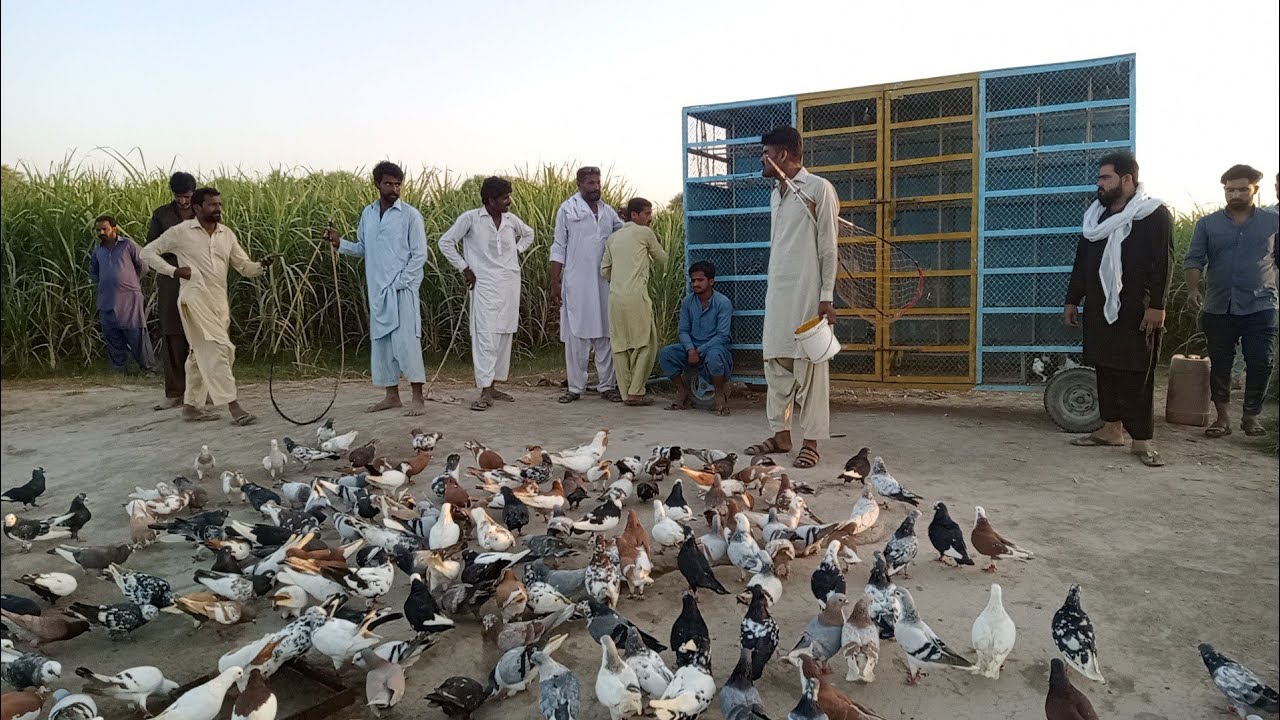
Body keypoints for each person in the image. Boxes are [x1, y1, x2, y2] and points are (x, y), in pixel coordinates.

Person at [1064, 151, 1173, 467]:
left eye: (1105, 177)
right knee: (1105, 366)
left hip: (1138, 307)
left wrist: (1158, 306)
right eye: (1099, 177)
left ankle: (1142, 440)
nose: (1099, 183)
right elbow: (1082, 263)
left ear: (1127, 179)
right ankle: (1111, 429)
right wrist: (1072, 300)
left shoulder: (1154, 214)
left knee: (1137, 370)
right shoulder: (1095, 218)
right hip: (1099, 306)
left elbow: (1163, 263)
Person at [744, 126, 838, 470]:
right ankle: (781, 436)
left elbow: (828, 246)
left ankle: (811, 443)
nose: (762, 159)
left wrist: (826, 296)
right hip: (778, 294)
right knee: (775, 364)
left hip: (807, 293)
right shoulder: (776, 193)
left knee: (810, 367)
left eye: (766, 153)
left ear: (782, 154)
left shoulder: (819, 188)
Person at [140, 187, 273, 425]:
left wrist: (261, 266)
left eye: (219, 204)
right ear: (197, 207)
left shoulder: (226, 234)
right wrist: (174, 271)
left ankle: (191, 407)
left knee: (198, 353)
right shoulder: (181, 232)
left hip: (218, 304)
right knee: (218, 349)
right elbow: (147, 253)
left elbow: (244, 267)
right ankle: (234, 407)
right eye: (212, 204)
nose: (218, 209)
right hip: (194, 299)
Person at [324, 161, 429, 416]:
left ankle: (417, 398)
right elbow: (363, 247)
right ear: (377, 184)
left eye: (398, 184)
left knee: (407, 342)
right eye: (388, 184)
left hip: (402, 290)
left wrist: (402, 283)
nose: (394, 189)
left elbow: (419, 255)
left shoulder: (410, 215)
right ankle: (391, 396)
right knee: (382, 344)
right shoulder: (368, 214)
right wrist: (339, 243)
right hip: (377, 289)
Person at [1183, 164, 1279, 438]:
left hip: (1261, 304)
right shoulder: (1208, 224)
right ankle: (1222, 419)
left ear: (1255, 190)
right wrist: (1192, 289)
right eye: (1230, 190)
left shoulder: (1272, 222)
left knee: (1261, 361)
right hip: (1218, 305)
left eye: (1242, 189)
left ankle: (1251, 417)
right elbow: (1194, 259)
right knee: (1221, 362)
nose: (1236, 194)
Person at [438, 176, 535, 411]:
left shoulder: (511, 220)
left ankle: (493, 386)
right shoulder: (471, 218)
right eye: (504, 198)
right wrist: (464, 268)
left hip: (509, 283)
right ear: (490, 200)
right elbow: (445, 242)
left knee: (503, 333)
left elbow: (529, 234)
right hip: (484, 285)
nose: (509, 201)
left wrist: (515, 252)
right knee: (485, 335)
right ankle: (484, 390)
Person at [550, 166, 624, 403]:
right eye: (591, 183)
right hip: (577, 283)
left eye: (598, 183)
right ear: (579, 184)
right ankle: (574, 388)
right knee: (577, 337)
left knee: (606, 335)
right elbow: (558, 246)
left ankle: (607, 386)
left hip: (604, 283)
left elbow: (623, 235)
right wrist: (555, 282)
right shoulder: (568, 209)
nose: (596, 188)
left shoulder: (608, 211)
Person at [601, 198, 669, 406]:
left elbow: (604, 270)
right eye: (647, 213)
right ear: (634, 215)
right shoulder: (645, 233)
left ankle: (626, 393)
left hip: (615, 298)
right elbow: (663, 258)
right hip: (637, 297)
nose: (650, 218)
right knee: (645, 343)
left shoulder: (612, 238)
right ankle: (636, 392)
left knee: (620, 346)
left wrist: (619, 279)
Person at [147, 171, 196, 410]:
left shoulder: (203, 212)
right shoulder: (161, 215)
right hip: (171, 281)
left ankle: (202, 390)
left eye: (187, 196)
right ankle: (175, 392)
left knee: (201, 334)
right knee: (173, 335)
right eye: (179, 196)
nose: (183, 201)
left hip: (199, 280)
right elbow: (150, 249)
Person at [658, 260, 733, 415]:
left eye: (700, 280)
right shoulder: (687, 302)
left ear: (711, 281)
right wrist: (690, 349)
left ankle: (720, 395)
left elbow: (722, 335)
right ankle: (682, 391)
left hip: (714, 348)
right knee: (666, 354)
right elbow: (683, 330)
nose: (695, 284)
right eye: (693, 280)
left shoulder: (723, 303)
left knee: (715, 356)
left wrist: (699, 351)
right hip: (691, 348)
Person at [89, 216, 154, 373]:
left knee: (136, 332)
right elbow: (94, 272)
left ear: (114, 229)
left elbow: (144, 266)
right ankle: (119, 369)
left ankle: (148, 369)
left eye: (104, 229)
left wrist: (130, 282)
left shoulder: (127, 245)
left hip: (129, 298)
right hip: (107, 298)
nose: (101, 232)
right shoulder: (98, 250)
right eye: (98, 230)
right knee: (111, 332)